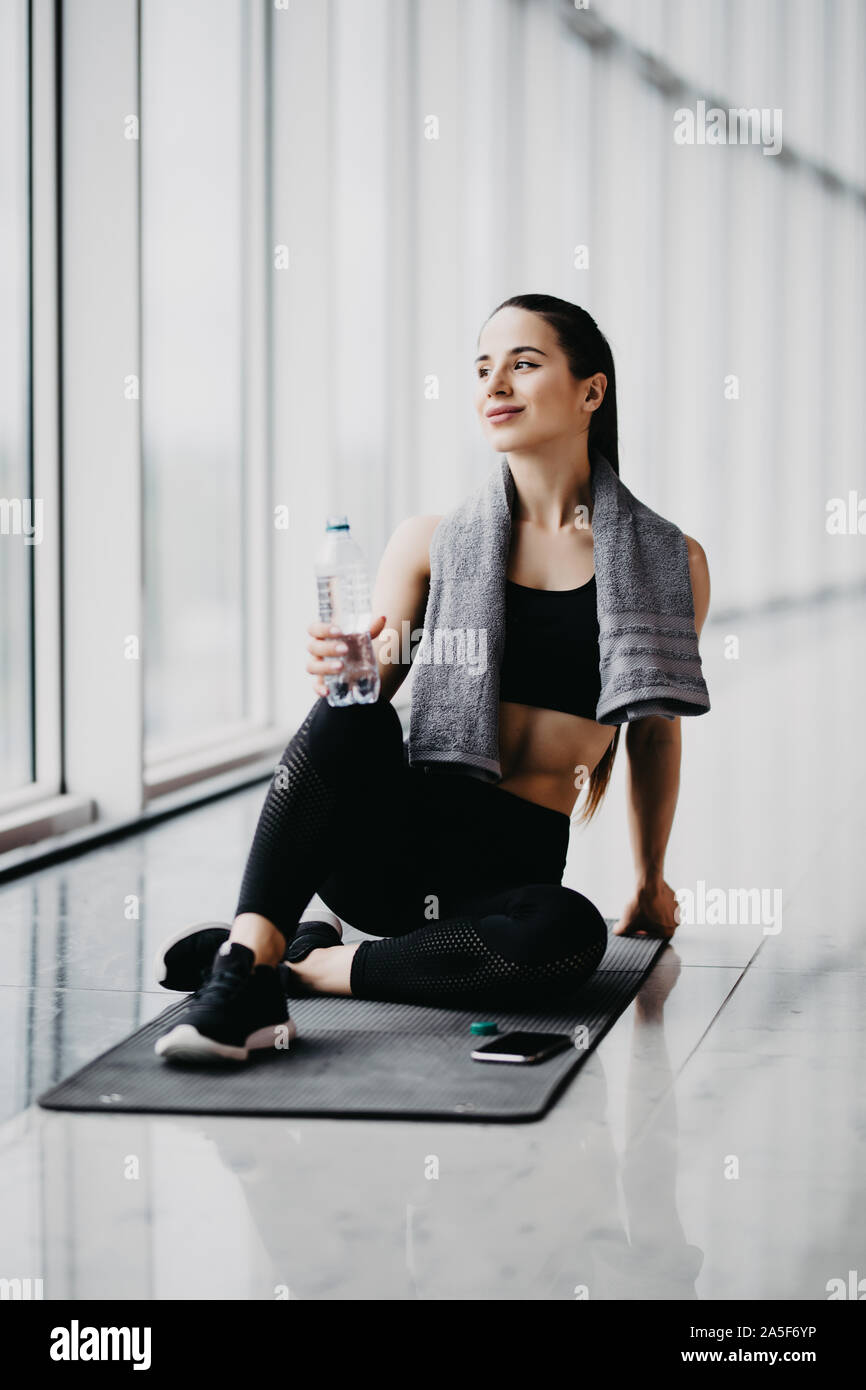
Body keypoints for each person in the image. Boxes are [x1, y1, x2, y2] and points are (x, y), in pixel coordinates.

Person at [154, 293, 710, 1063]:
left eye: (523, 363)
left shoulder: (668, 564)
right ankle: (248, 961)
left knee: (569, 938)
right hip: (387, 853)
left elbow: (653, 732)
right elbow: (362, 700)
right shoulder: (429, 544)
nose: (494, 386)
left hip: (504, 884)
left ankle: (313, 964)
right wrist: (343, 668)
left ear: (591, 391)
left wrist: (651, 882)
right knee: (353, 715)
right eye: (483, 369)